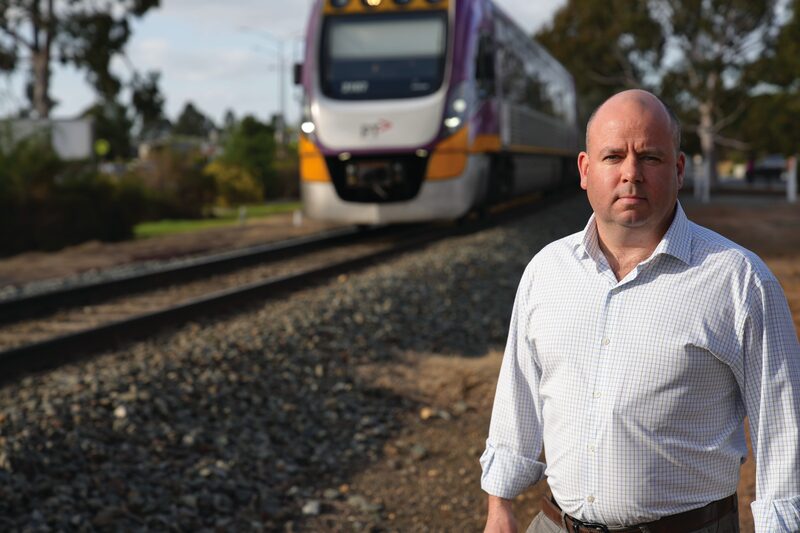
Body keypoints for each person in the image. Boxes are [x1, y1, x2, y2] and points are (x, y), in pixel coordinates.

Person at [480, 89, 800, 533]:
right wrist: (500, 506)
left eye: (649, 157)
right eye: (613, 157)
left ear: (679, 169)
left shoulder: (740, 281)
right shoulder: (546, 271)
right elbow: (517, 396)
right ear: (585, 170)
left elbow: (784, 432)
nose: (631, 174)